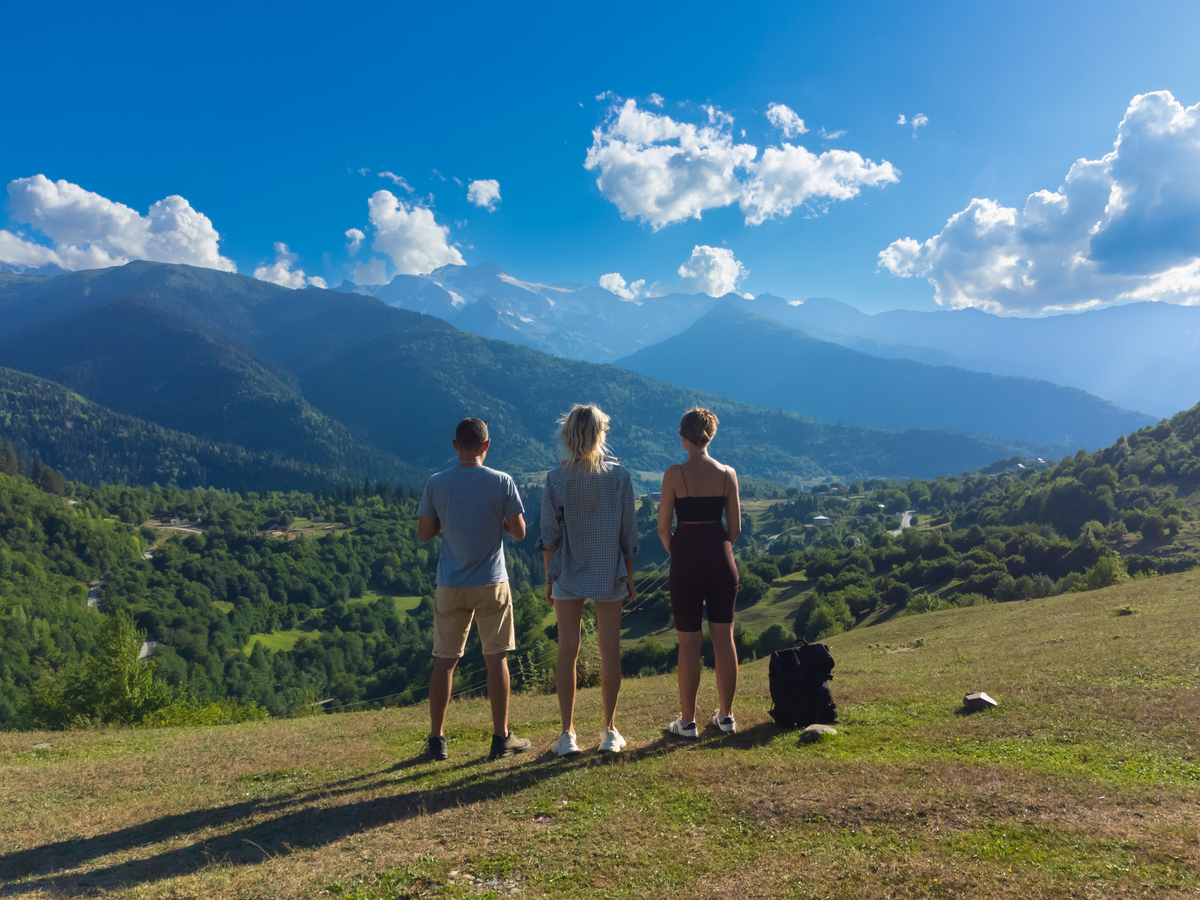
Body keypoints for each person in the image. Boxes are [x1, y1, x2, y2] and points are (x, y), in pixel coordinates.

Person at [417, 417, 532, 762]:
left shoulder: (436, 483)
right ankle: (501, 738)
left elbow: (424, 533)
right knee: (496, 659)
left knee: (444, 661)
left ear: (455, 445)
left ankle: (437, 741)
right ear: (487, 445)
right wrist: (498, 519)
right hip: (492, 582)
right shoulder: (502, 481)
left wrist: (449, 521)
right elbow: (520, 532)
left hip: (450, 583)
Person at [537, 403, 638, 756]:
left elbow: (549, 536)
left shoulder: (556, 478)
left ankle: (567, 735)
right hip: (609, 569)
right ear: (600, 434)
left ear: (567, 435)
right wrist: (629, 576)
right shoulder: (619, 476)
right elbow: (628, 534)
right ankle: (609, 732)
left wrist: (549, 579)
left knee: (568, 650)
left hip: (567, 570)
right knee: (610, 650)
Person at [657, 407, 741, 738]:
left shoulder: (674, 474)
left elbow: (663, 528)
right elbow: (735, 528)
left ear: (682, 438)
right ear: (711, 436)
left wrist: (680, 553)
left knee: (689, 642)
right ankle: (726, 716)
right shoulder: (728, 474)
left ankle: (688, 722)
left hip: (686, 559)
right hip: (721, 557)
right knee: (724, 638)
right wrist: (717, 549)